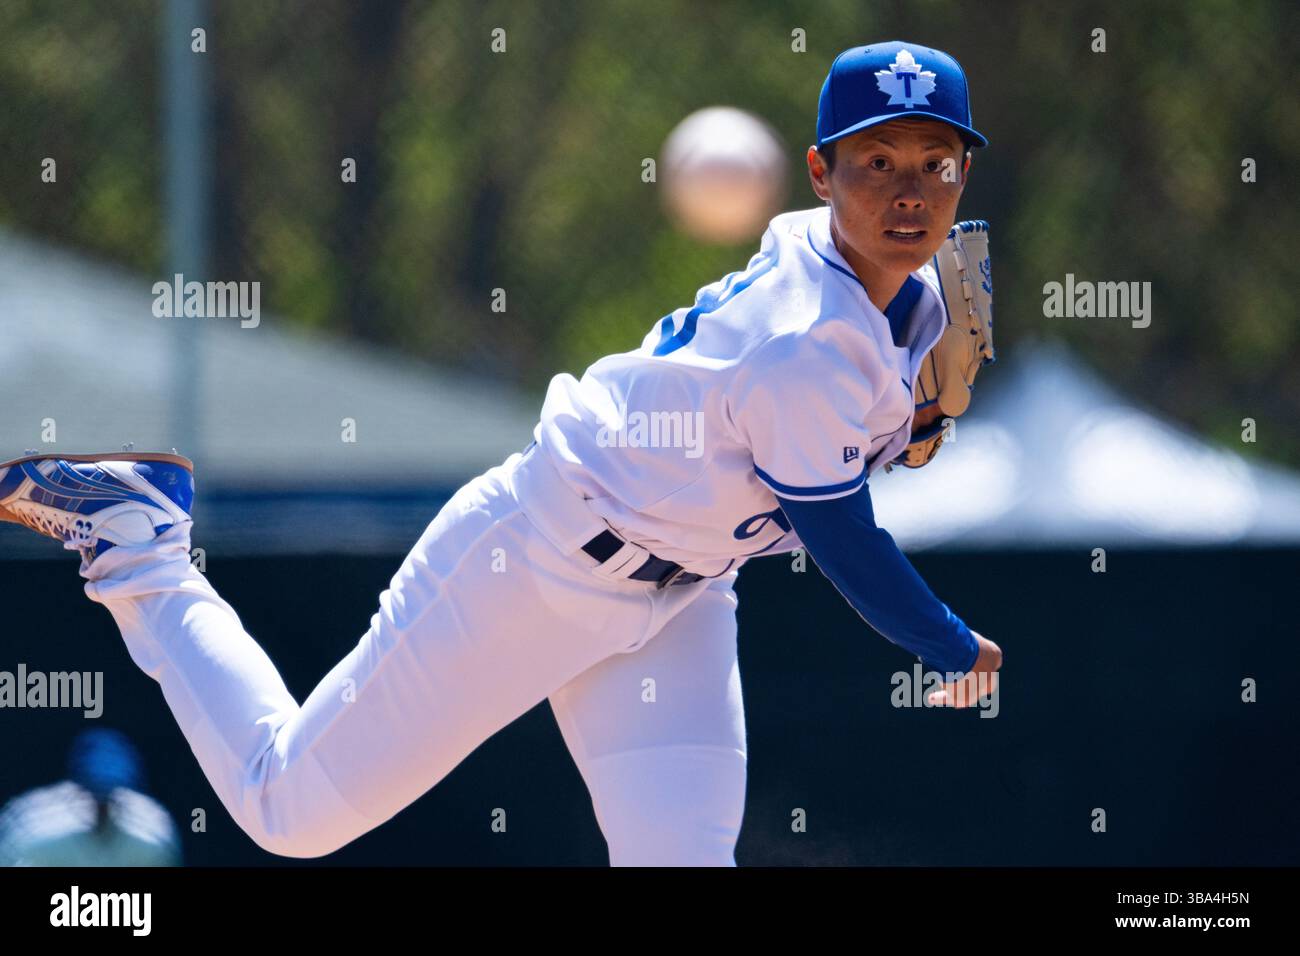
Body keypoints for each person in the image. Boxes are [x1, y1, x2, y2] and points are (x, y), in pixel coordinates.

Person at [0, 40, 1001, 866]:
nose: (909, 189)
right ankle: (142, 546)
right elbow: (844, 540)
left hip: (684, 592)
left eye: (934, 161)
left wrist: (891, 422)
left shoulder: (889, 291)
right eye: (877, 161)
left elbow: (797, 419)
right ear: (822, 172)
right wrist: (949, 642)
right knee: (287, 809)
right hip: (534, 561)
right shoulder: (803, 335)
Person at [0, 729, 181, 866]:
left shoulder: (152, 834)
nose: (100, 804)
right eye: (94, 791)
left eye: (109, 794)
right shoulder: (36, 830)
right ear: (79, 787)